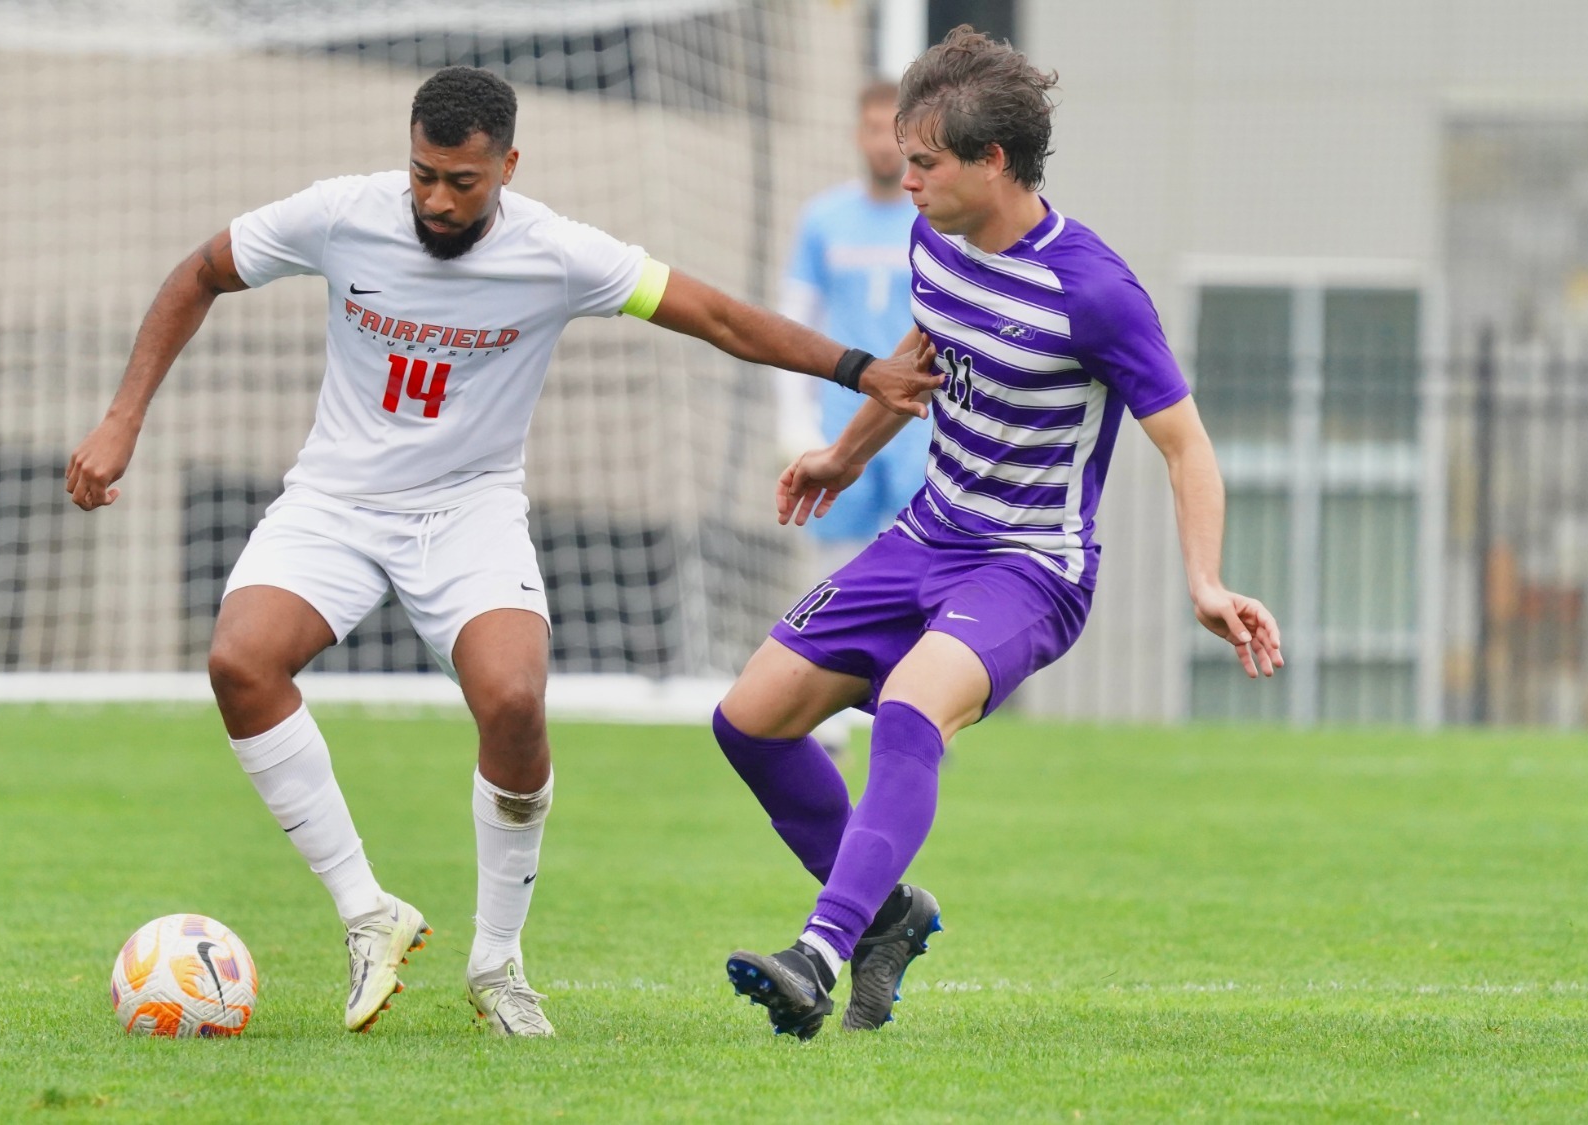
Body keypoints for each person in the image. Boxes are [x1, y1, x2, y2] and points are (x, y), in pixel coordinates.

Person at [63, 67, 940, 1039]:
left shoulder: (557, 252)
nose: (437, 199)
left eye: (462, 182)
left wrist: (861, 371)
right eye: (423, 175)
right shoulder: (339, 214)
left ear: (506, 167)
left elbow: (721, 319)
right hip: (337, 500)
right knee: (239, 662)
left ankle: (497, 963)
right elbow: (199, 273)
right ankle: (368, 913)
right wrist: (120, 420)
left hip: (469, 513)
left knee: (515, 703)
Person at [713, 29, 1284, 1040]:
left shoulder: (1094, 293)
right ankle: (888, 916)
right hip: (924, 535)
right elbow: (925, 349)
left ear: (992, 164)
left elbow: (1187, 446)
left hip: (1029, 568)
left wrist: (1204, 579)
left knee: (907, 707)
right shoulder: (931, 237)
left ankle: (818, 952)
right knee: (747, 720)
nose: (903, 173)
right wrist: (846, 453)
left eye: (924, 160)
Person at [773, 80, 931, 580]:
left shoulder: (936, 218)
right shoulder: (823, 218)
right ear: (857, 136)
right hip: (841, 416)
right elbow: (794, 320)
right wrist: (794, 418)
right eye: (873, 129)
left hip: (919, 421)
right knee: (837, 575)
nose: (884, 143)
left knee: (920, 567)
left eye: (894, 131)